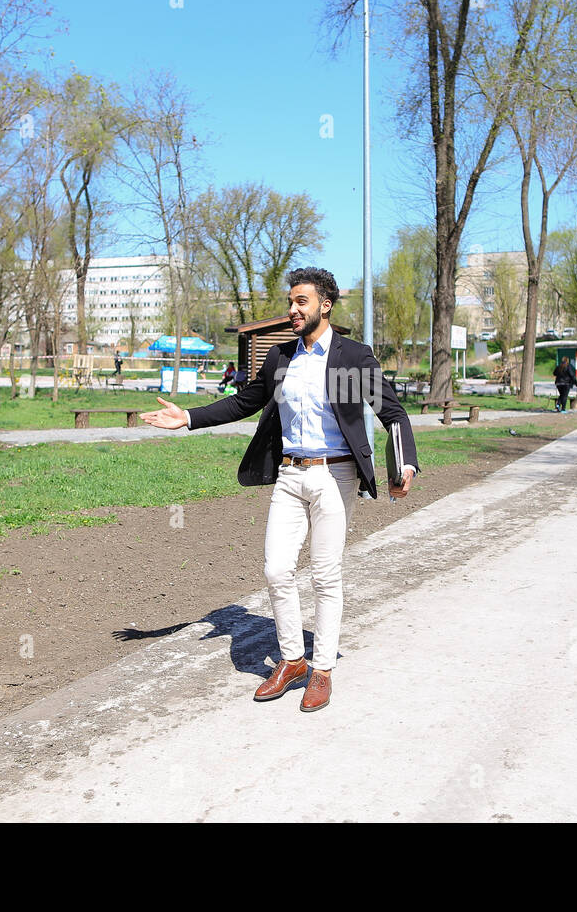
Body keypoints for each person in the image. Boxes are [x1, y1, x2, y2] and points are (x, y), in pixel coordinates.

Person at [142, 267, 418, 713]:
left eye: (301, 302)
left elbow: (393, 413)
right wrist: (188, 418)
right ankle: (292, 660)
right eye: (290, 301)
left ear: (324, 306)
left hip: (336, 475)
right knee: (276, 570)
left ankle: (322, 670)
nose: (292, 309)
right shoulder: (280, 357)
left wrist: (403, 463)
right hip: (290, 475)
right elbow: (243, 402)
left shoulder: (353, 357)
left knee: (325, 575)